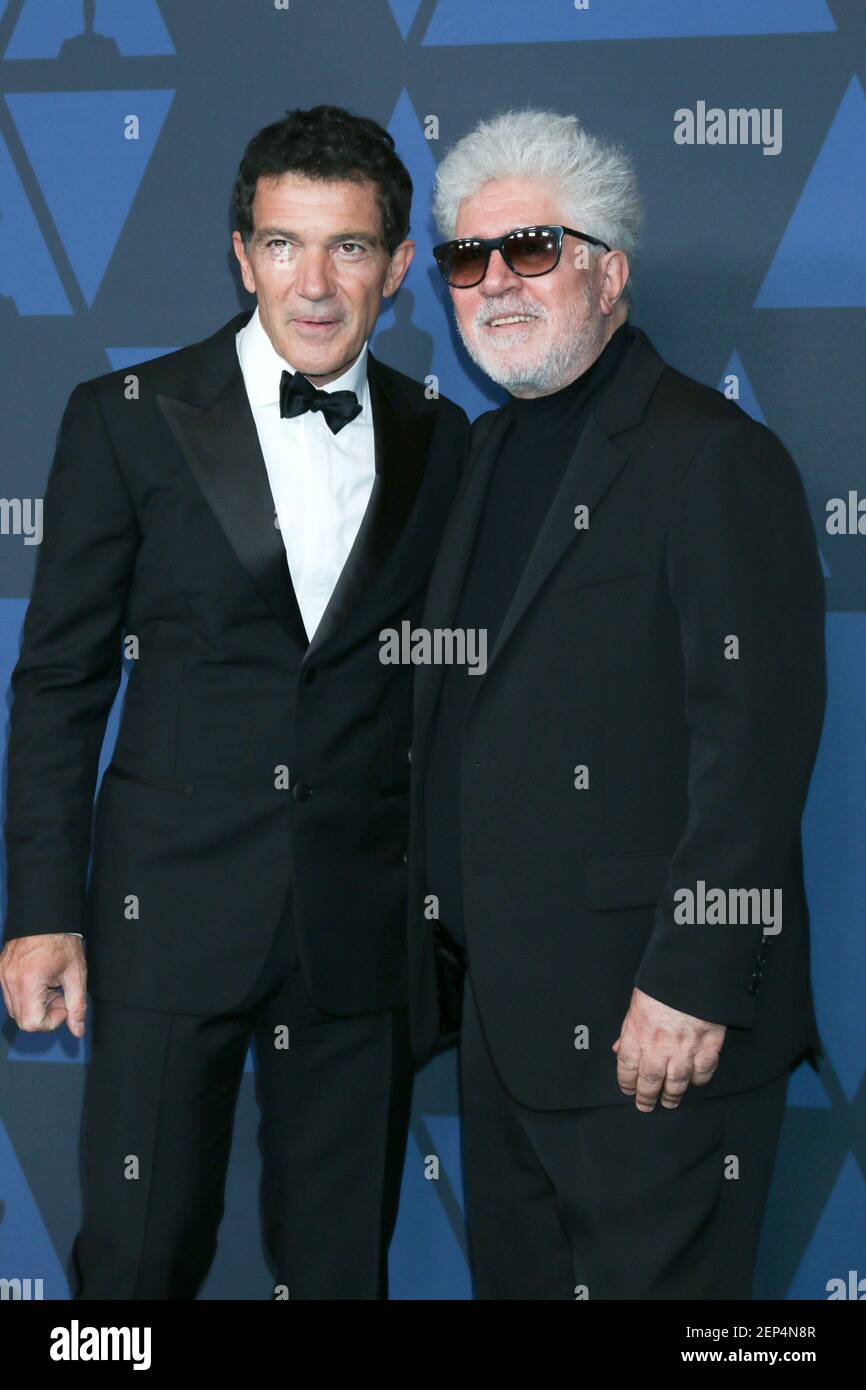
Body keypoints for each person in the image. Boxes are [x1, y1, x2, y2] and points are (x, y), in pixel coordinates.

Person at [0, 103, 469, 1300]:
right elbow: (59, 676)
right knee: (136, 1266)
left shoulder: (438, 435)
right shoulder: (127, 420)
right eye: (282, 245)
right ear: (239, 252)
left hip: (355, 925)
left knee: (338, 1270)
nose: (314, 285)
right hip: (168, 914)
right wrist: (43, 909)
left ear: (399, 266)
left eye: (349, 248)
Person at [407, 108, 826, 1300]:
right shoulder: (481, 456)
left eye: (531, 248)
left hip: (658, 1033)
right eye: (467, 257)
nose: (493, 282)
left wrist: (694, 974)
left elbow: (753, 737)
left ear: (608, 268)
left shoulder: (711, 457)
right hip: (504, 1029)